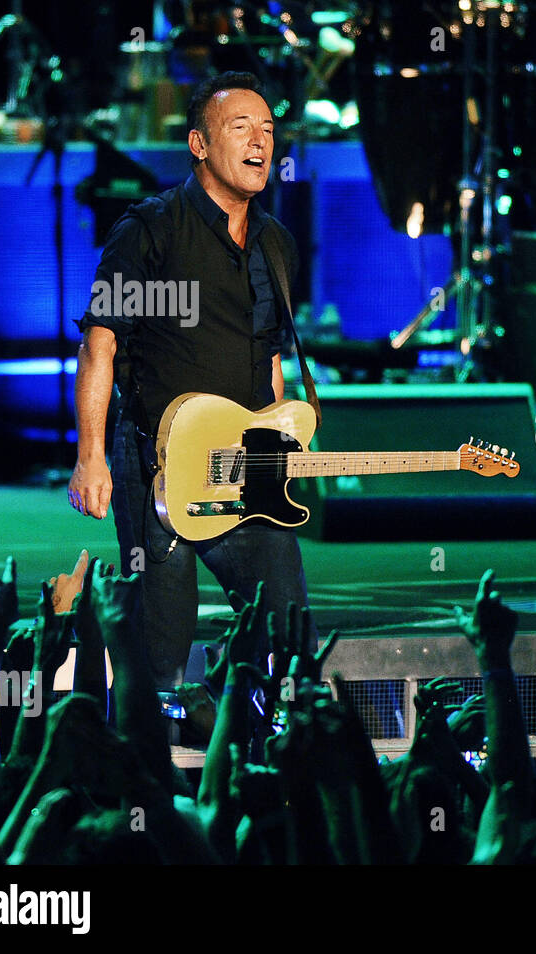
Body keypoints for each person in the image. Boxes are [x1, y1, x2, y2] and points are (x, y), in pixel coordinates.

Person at [67, 71, 313, 689]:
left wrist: (281, 433)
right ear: (200, 145)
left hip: (247, 466)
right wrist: (89, 458)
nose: (261, 141)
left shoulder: (276, 245)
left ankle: (251, 756)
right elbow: (100, 346)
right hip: (156, 461)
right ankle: (155, 771)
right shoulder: (148, 231)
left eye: (268, 129)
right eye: (241, 127)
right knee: (162, 653)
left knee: (287, 638)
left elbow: (272, 361)